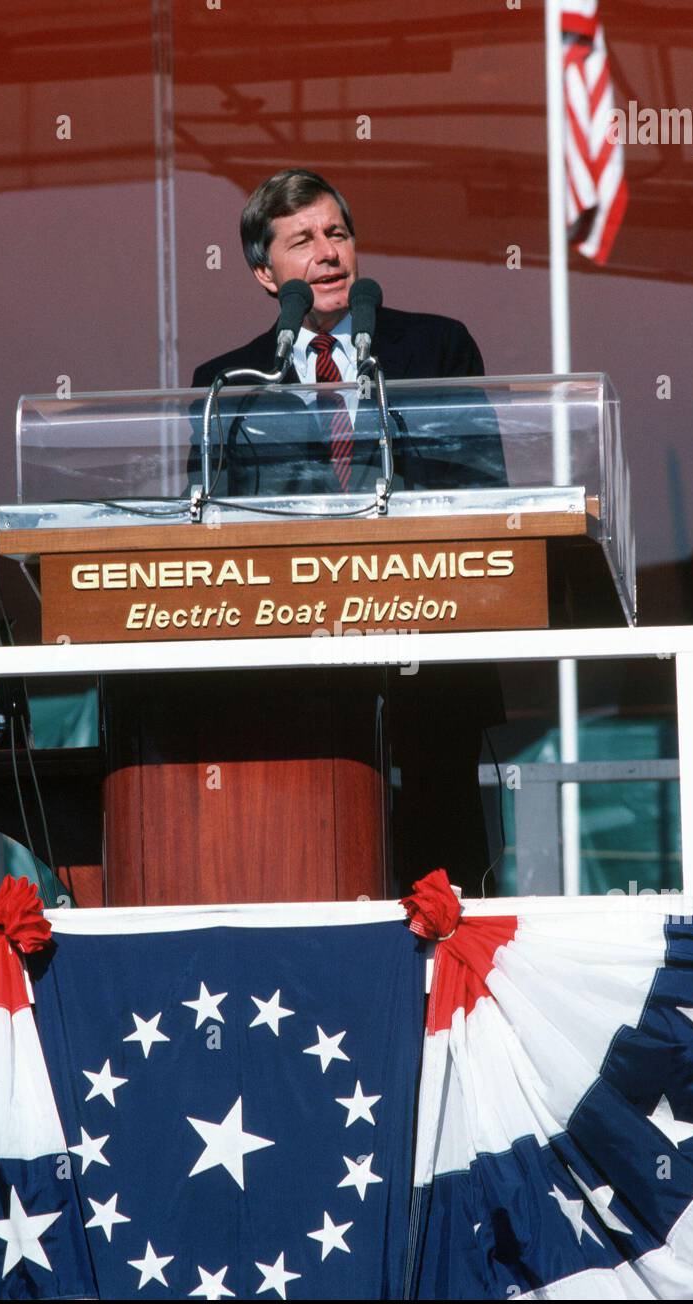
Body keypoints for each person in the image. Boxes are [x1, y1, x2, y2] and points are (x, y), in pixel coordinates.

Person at [192, 168, 504, 893]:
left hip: (429, 664)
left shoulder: (436, 350)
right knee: (314, 881)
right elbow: (207, 527)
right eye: (301, 241)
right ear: (267, 275)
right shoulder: (228, 384)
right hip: (288, 682)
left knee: (445, 891)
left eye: (337, 234)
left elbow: (481, 487)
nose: (327, 254)